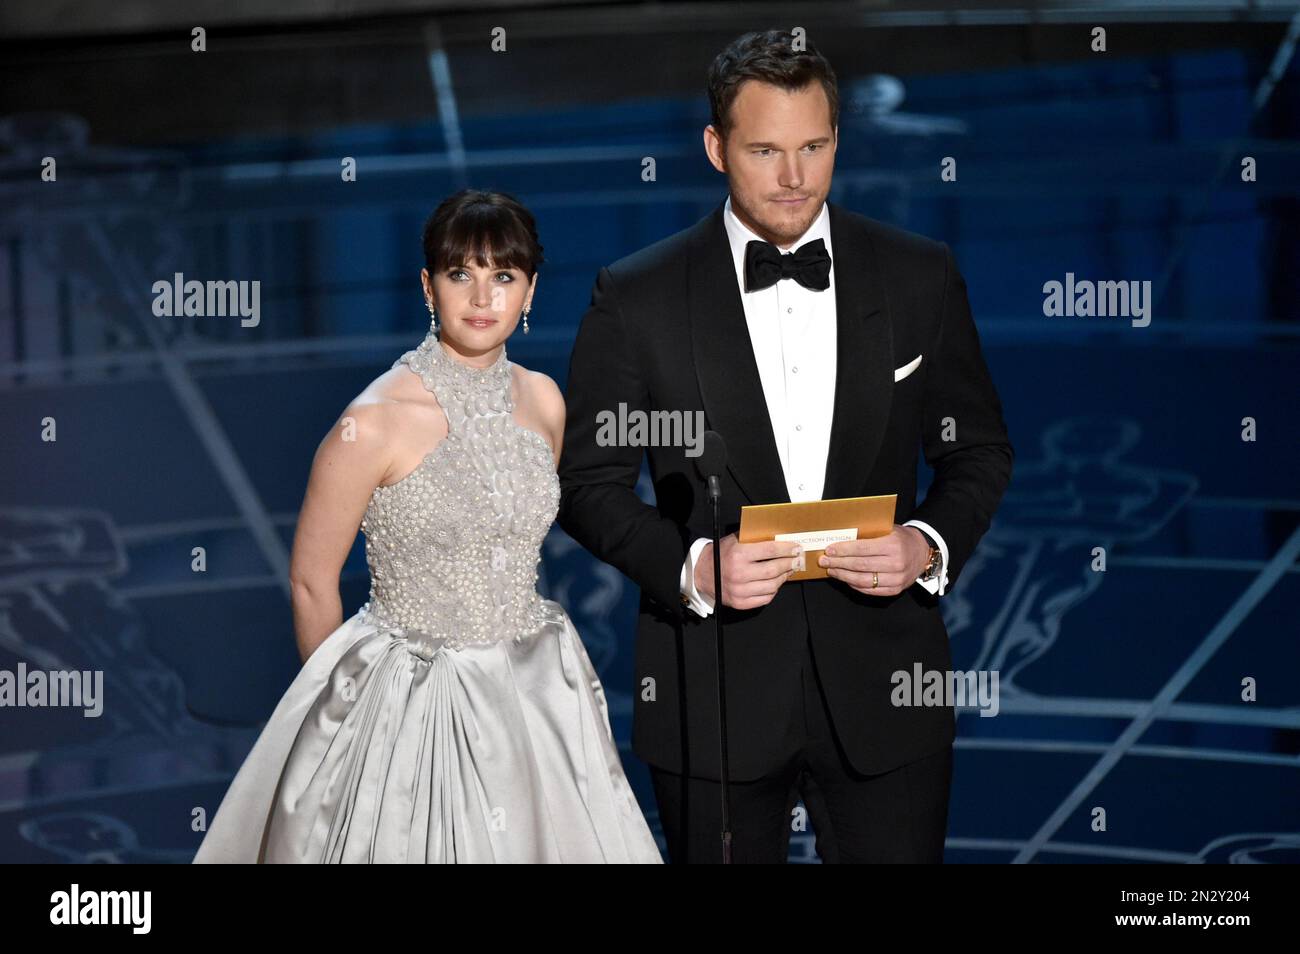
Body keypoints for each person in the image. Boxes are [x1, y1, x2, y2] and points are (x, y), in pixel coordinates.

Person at [558, 30, 1014, 862]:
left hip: (888, 693)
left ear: (838, 140)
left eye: (814, 147)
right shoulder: (638, 296)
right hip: (713, 692)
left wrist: (927, 542)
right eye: (766, 150)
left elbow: (978, 451)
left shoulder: (919, 274)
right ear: (715, 147)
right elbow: (588, 483)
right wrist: (694, 566)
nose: (795, 177)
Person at [193, 189, 662, 863]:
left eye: (503, 276)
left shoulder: (544, 400)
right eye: (459, 273)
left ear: (529, 292)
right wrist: (347, 719)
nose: (482, 297)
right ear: (427, 285)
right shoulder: (374, 420)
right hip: (410, 698)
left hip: (535, 689)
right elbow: (309, 582)